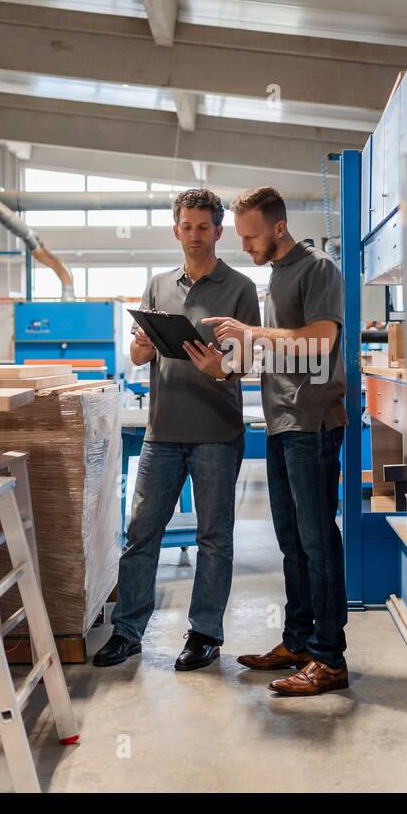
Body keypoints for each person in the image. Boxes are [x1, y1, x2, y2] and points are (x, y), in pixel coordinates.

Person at [92, 188, 261, 672]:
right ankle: (127, 631)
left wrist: (223, 368)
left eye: (202, 227)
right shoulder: (157, 284)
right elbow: (140, 353)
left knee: (214, 537)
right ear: (175, 230)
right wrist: (141, 352)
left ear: (218, 231)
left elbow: (252, 358)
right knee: (141, 533)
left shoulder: (241, 288)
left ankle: (205, 635)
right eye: (185, 227)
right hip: (161, 433)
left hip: (216, 433)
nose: (193, 236)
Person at [203, 186, 350, 696]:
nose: (244, 246)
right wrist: (227, 364)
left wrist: (250, 332)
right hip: (282, 422)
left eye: (251, 236)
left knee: (318, 543)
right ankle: (299, 641)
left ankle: (330, 660)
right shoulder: (278, 275)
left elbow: (320, 342)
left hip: (312, 424)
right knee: (292, 544)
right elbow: (287, 358)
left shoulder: (318, 270)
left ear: (279, 227)